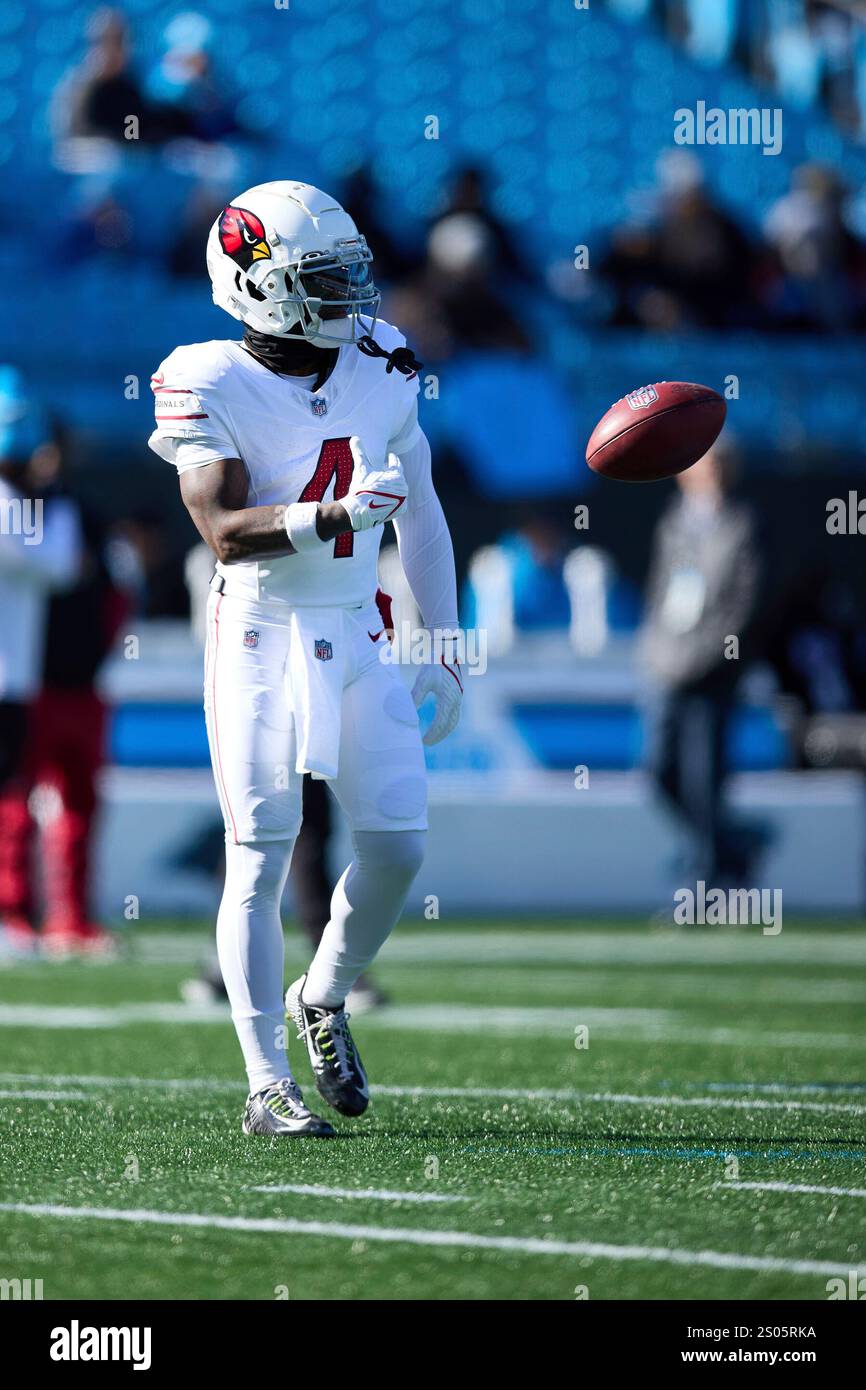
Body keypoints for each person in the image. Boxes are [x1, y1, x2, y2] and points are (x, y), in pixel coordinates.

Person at [149, 181, 461, 1138]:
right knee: (261, 850)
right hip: (259, 632)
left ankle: (321, 994)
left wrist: (440, 641)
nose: (346, 299)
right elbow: (225, 533)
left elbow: (427, 509)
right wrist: (332, 516)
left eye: (348, 275)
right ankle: (263, 1083)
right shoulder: (205, 375)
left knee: (399, 844)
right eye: (320, 280)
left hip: (358, 631)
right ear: (255, 284)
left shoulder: (381, 360)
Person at [640, 439, 763, 888]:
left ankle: (708, 877)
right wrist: (657, 652)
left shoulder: (742, 525)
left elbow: (741, 607)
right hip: (668, 667)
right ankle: (736, 844)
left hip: (713, 673)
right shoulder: (675, 522)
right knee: (661, 771)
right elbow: (660, 594)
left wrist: (707, 655)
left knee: (704, 779)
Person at [0, 373, 82, 950]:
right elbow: (55, 563)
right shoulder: (13, 503)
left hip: (15, 677)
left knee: (13, 793)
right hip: (8, 676)